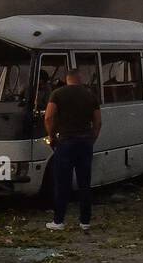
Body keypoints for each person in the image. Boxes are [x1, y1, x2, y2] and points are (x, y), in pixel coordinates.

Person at [43, 69, 101, 232]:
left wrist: (51, 136)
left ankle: (59, 221)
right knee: (84, 183)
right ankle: (85, 222)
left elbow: (49, 117)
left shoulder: (57, 94)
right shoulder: (90, 95)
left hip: (66, 142)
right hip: (85, 143)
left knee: (62, 183)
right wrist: (92, 139)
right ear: (80, 79)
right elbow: (98, 121)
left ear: (66, 79)